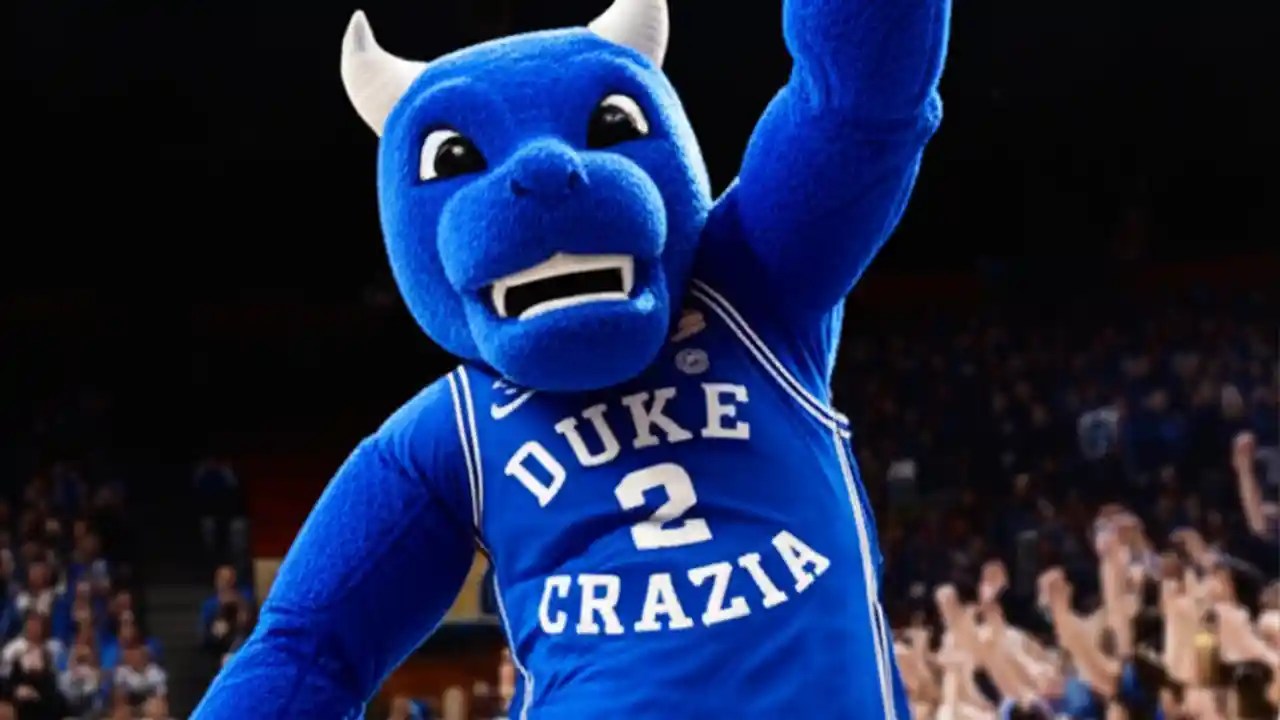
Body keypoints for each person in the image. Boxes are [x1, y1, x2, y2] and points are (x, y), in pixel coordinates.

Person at [193, 0, 950, 716]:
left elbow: (856, 107)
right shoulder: (451, 432)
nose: (549, 167)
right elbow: (306, 652)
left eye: (610, 125)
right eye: (458, 157)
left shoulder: (751, 292)